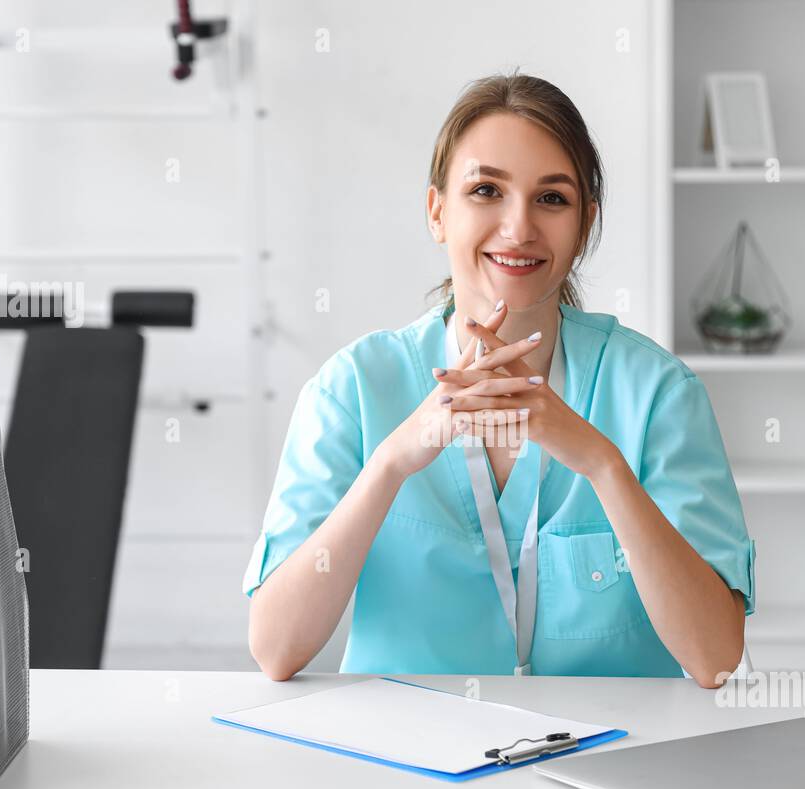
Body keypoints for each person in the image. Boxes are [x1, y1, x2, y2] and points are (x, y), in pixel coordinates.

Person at [245, 71, 756, 685]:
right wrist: (390, 463)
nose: (518, 229)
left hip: (608, 762)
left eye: (552, 198)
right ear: (437, 211)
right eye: (486, 190)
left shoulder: (659, 394)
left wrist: (602, 464)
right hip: (409, 761)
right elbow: (276, 649)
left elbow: (716, 659)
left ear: (585, 224)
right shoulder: (350, 388)